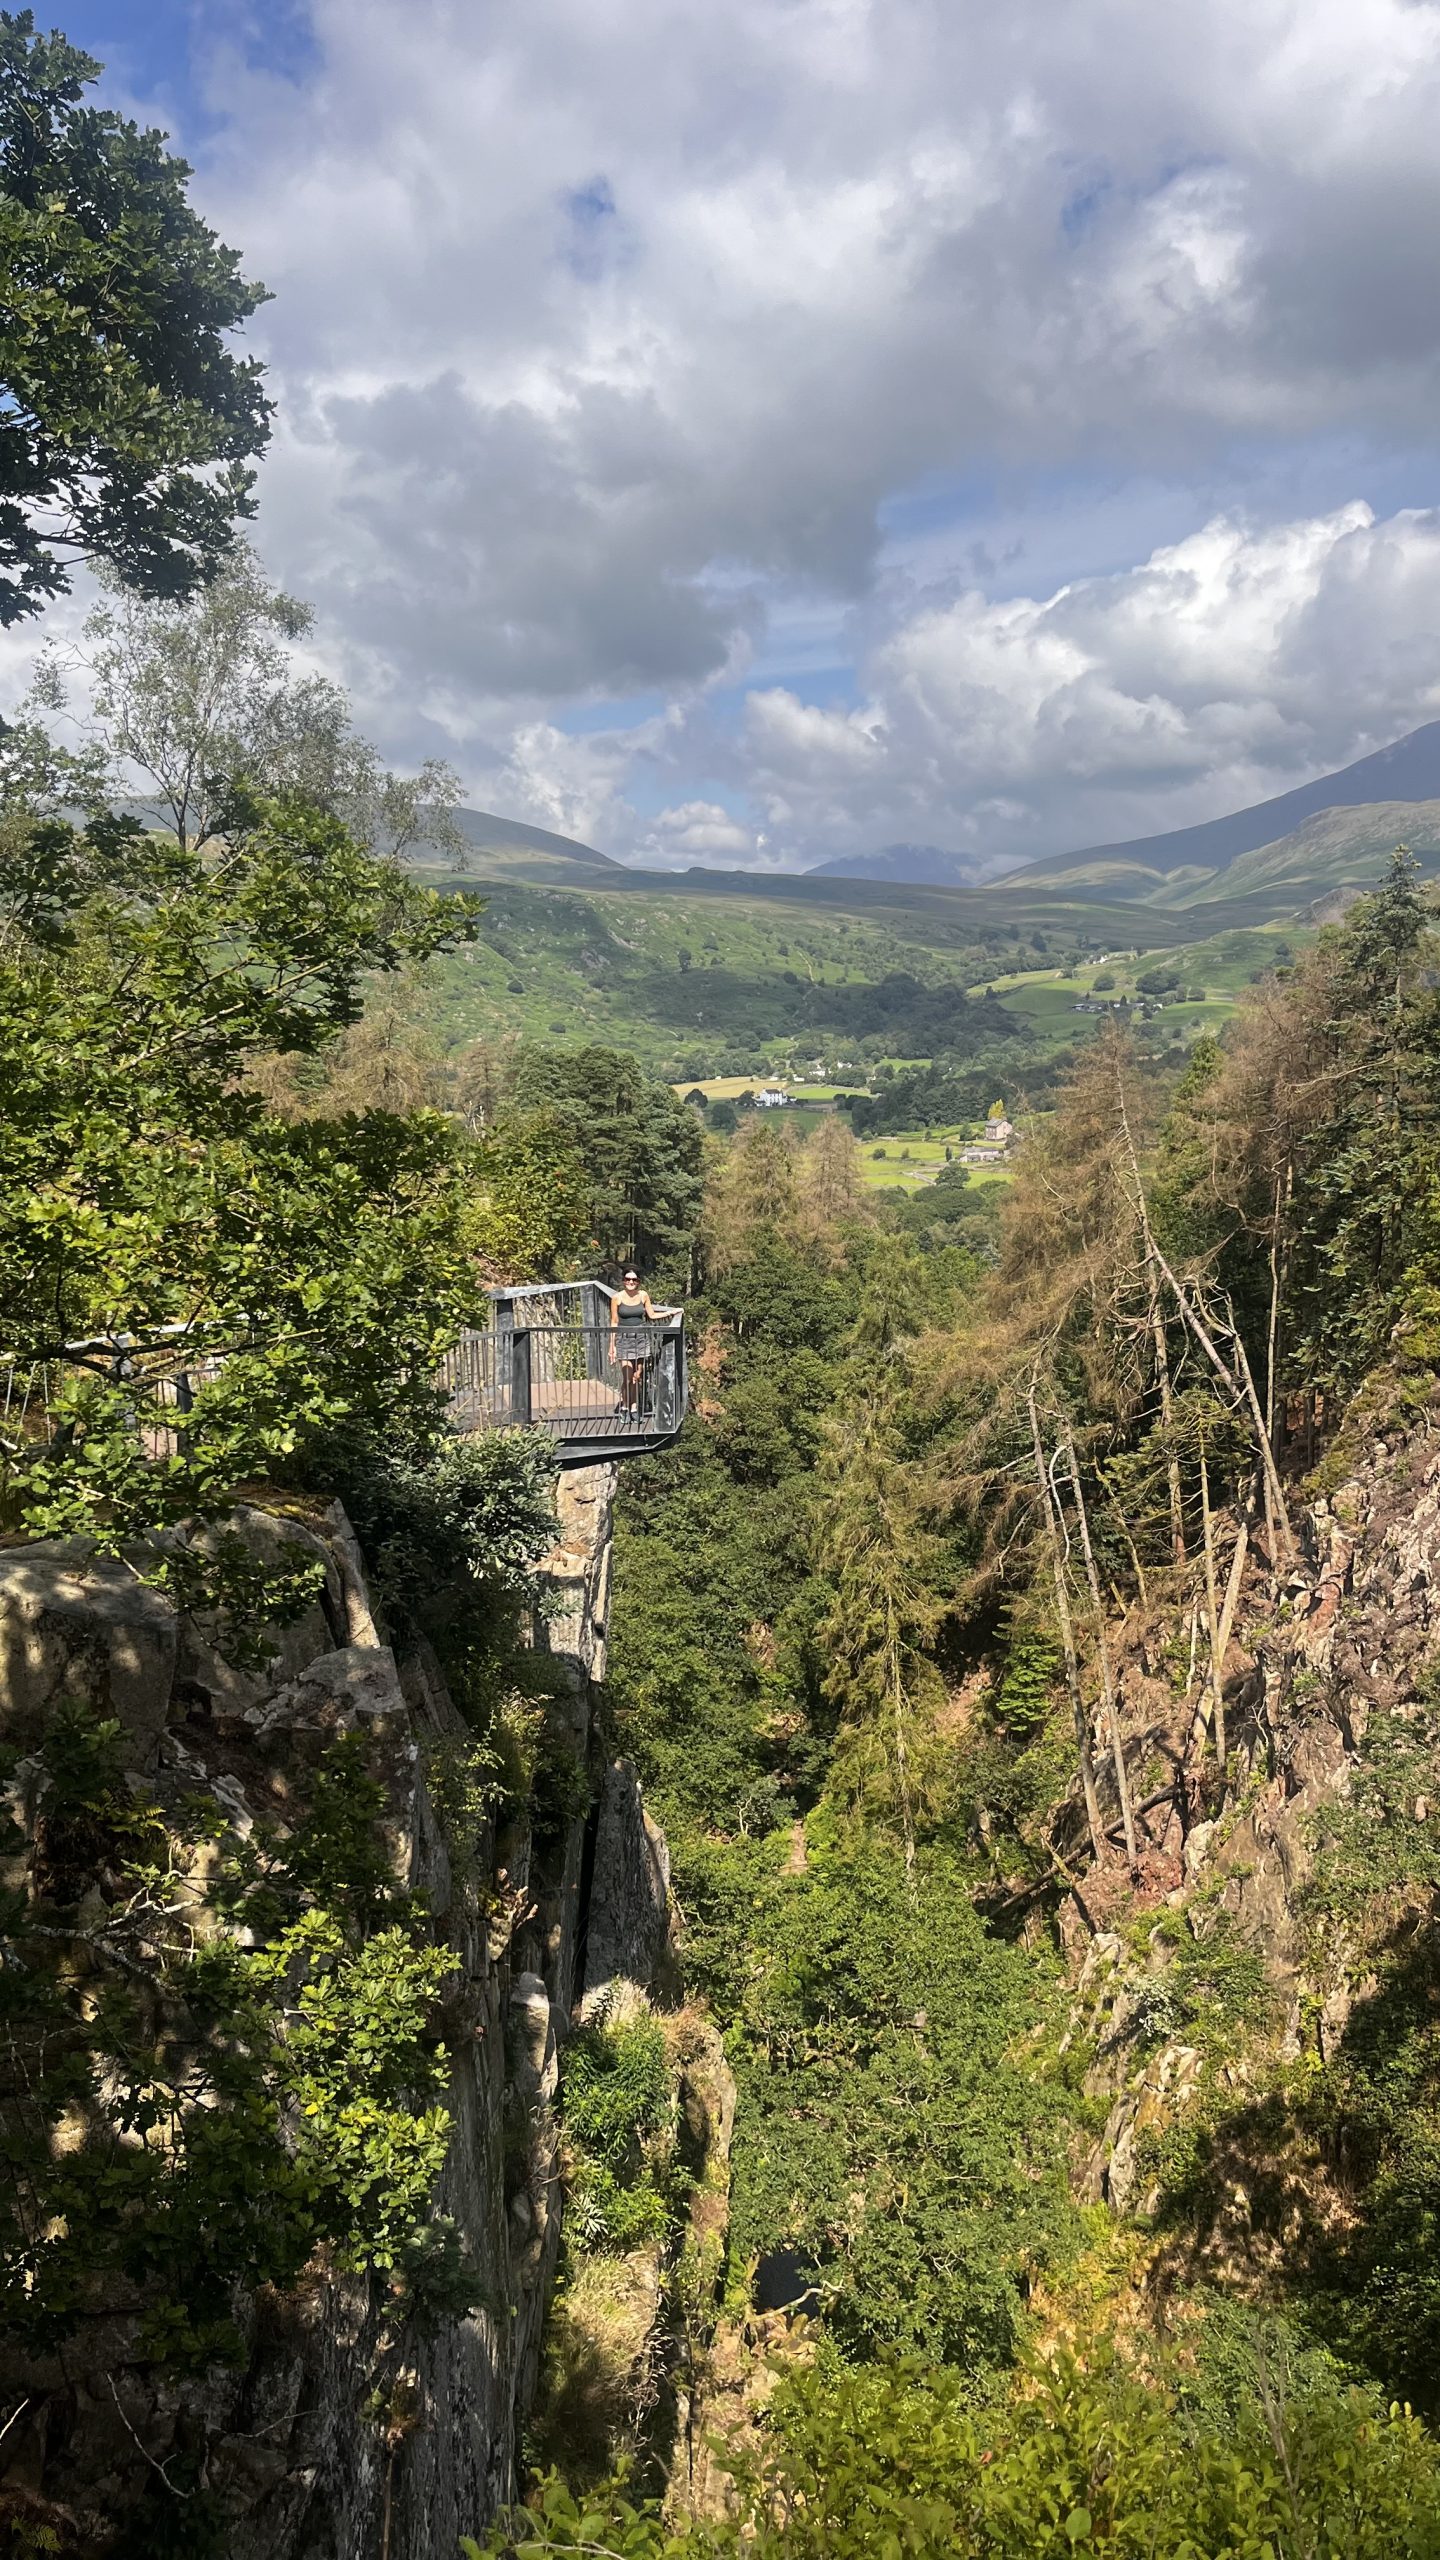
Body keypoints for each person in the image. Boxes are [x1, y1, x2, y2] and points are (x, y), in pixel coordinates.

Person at [610, 1265, 663, 1418]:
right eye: (628, 1279)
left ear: (638, 1281)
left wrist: (673, 1312)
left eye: (634, 1280)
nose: (631, 1282)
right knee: (627, 1377)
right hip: (624, 1339)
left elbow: (651, 1315)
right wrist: (612, 1346)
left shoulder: (643, 1295)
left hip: (640, 1339)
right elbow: (614, 1321)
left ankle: (634, 1407)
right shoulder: (617, 1298)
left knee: (636, 1376)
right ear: (623, 1281)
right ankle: (625, 1406)